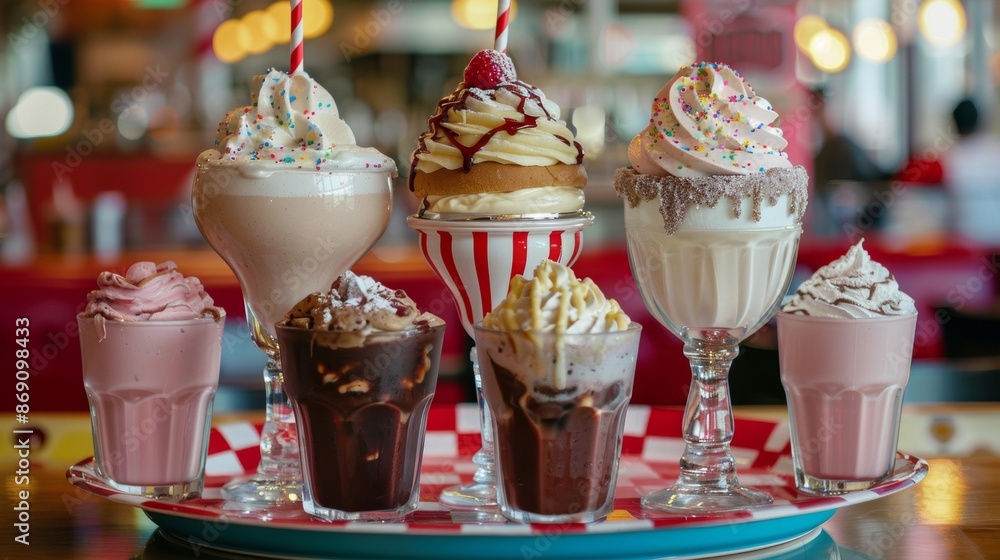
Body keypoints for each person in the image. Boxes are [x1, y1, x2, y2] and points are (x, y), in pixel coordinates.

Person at [941, 98, 1000, 245]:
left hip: (962, 243)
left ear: (954, 124)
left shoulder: (948, 158)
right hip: (994, 240)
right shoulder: (995, 151)